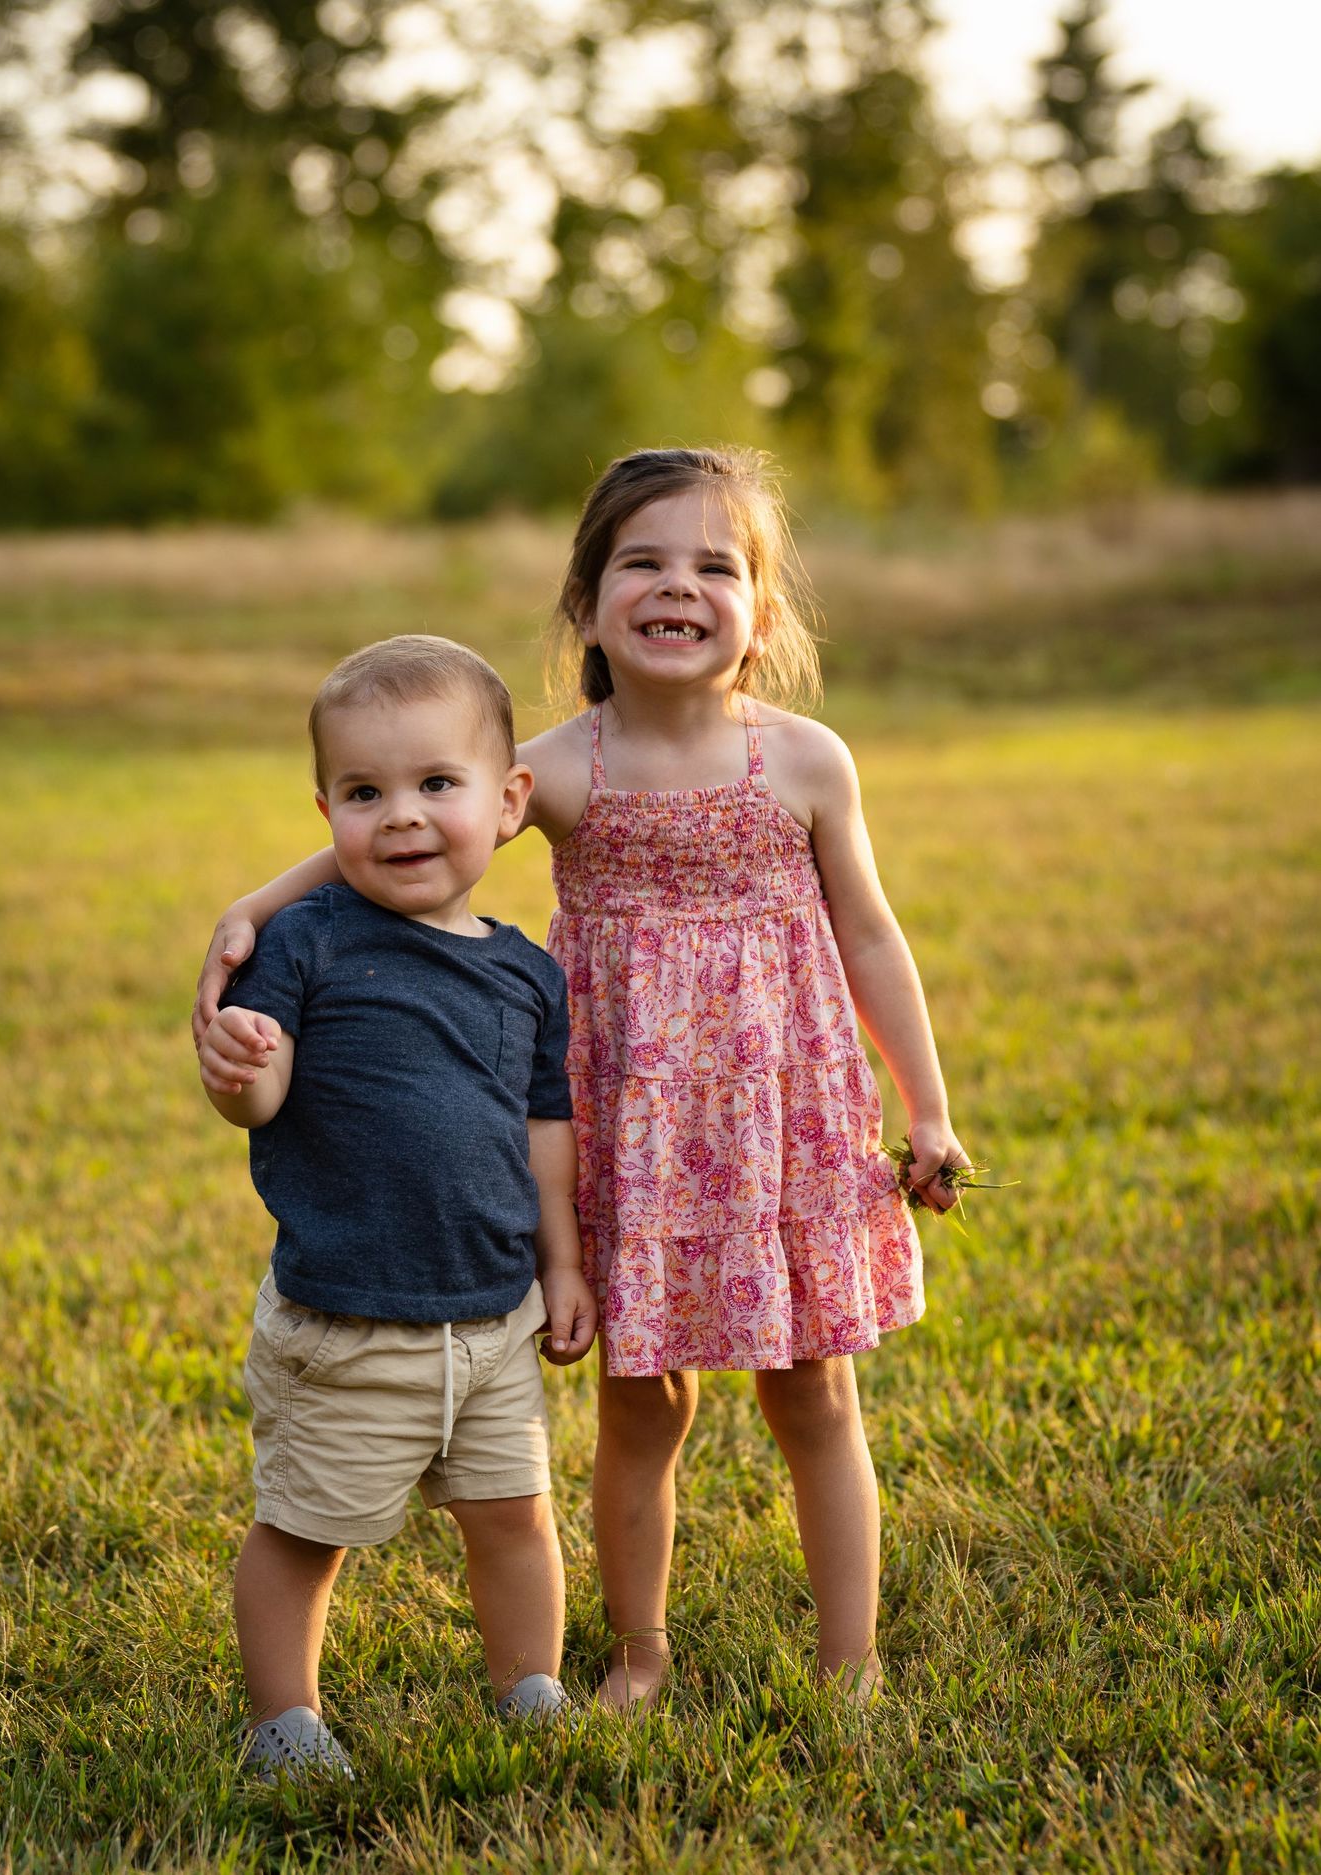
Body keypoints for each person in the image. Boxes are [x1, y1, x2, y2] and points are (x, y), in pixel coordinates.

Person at [195, 448, 968, 1715]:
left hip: (787, 1112)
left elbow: (871, 934)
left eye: (716, 565)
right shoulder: (559, 769)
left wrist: (927, 1107)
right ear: (588, 601)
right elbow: (401, 829)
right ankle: (640, 1649)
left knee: (814, 1389)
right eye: (643, 563)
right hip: (630, 1120)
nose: (679, 586)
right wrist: (255, 906)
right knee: (643, 1397)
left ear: (761, 612)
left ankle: (853, 1659)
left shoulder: (809, 761)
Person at [198, 635, 597, 1781]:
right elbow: (260, 1098)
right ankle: (285, 1720)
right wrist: (244, 1064)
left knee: (516, 1515)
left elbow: (546, 1132)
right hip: (350, 1316)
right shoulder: (308, 942)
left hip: (494, 1315)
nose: (403, 817)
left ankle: (530, 1688)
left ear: (509, 800)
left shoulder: (529, 972)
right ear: (324, 808)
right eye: (366, 794)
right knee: (305, 1529)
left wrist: (560, 1267)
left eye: (437, 785)